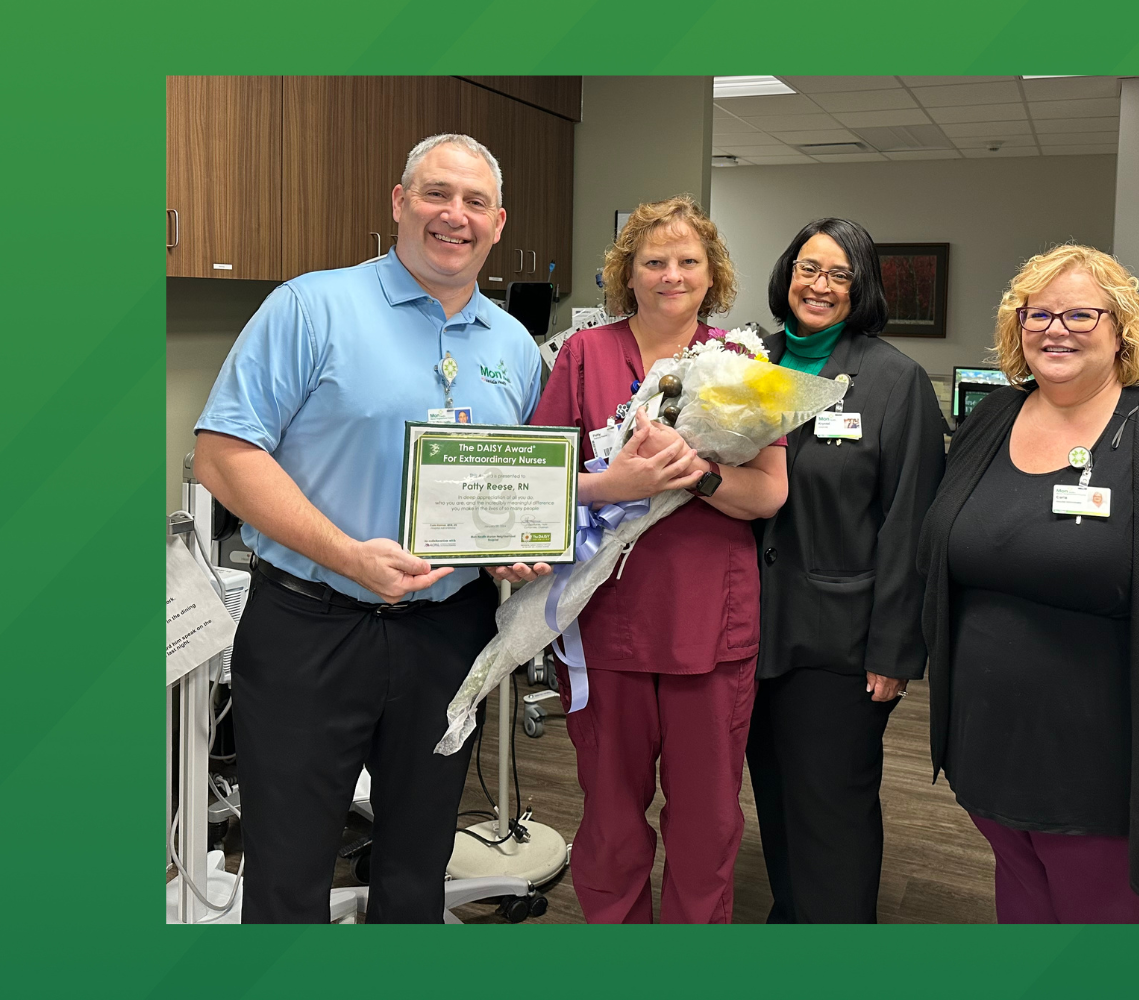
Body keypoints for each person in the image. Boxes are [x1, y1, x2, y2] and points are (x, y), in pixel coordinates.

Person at [193, 134, 546, 923]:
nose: (454, 216)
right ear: (398, 201)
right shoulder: (311, 307)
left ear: (498, 222)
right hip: (309, 630)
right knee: (288, 868)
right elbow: (221, 454)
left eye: (474, 202)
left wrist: (511, 554)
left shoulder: (517, 350)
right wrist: (346, 554)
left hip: (449, 635)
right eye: (435, 193)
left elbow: (522, 485)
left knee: (418, 864)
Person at [915, 244, 1139, 923]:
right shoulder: (990, 422)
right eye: (1038, 313)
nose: (1056, 328)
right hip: (993, 757)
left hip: (1115, 778)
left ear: (1123, 331)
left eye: (1082, 313)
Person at [530, 195, 788, 923]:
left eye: (687, 262)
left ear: (712, 276)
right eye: (653, 261)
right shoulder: (582, 355)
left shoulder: (747, 364)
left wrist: (696, 474)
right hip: (606, 623)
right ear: (627, 274)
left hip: (711, 625)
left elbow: (768, 493)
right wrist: (618, 483)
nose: (670, 274)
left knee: (706, 826)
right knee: (610, 823)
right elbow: (542, 486)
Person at [745, 219, 946, 923]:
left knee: (831, 804)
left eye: (839, 274)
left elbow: (911, 525)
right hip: (747, 629)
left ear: (861, 288)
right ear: (787, 273)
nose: (819, 286)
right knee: (773, 792)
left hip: (840, 640)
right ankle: (792, 917)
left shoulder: (896, 382)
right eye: (808, 268)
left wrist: (895, 649)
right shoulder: (746, 361)